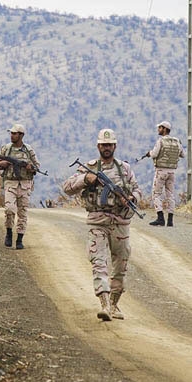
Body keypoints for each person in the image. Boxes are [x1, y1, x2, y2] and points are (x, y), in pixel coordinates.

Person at [61, 128, 141, 321]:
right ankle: (104, 304)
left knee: (121, 264)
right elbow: (67, 187)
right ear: (98, 146)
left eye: (110, 145)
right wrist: (85, 179)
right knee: (98, 262)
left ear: (115, 146)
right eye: (103, 145)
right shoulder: (90, 167)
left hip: (120, 221)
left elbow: (138, 191)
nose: (107, 148)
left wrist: (131, 198)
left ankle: (114, 304)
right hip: (97, 220)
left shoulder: (125, 169)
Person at [0, 123, 41, 249]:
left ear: (21, 135)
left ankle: (19, 239)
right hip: (10, 182)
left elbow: (37, 166)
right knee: (9, 209)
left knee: (22, 213)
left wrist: (31, 168)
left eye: (14, 133)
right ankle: (9, 233)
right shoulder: (6, 149)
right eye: (11, 133)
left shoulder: (28, 150)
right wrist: (4, 163)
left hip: (25, 184)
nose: (12, 135)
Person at [140, 120, 185, 227]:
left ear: (165, 129)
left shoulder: (160, 141)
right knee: (170, 194)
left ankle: (160, 218)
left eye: (160, 127)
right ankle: (170, 220)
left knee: (156, 194)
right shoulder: (177, 141)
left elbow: (155, 154)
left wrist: (149, 153)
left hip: (161, 171)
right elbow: (182, 154)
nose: (158, 129)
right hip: (172, 172)